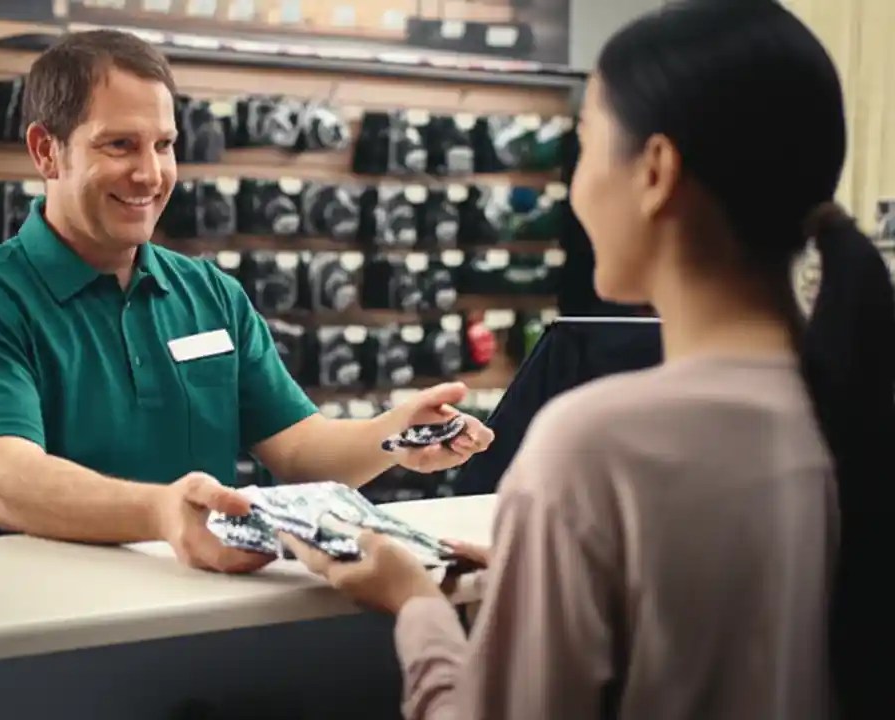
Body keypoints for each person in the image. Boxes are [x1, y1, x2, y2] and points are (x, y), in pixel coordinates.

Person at [283, 1, 893, 718]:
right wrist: (548, 571)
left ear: (655, 171)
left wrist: (416, 604)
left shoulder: (601, 446)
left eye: (586, 145)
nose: (574, 189)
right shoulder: (852, 408)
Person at [0, 29, 495, 574]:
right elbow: (8, 484)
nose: (150, 174)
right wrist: (160, 513)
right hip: (43, 626)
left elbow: (299, 448)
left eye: (164, 145)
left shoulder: (209, 293)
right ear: (47, 151)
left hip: (199, 601)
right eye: (119, 145)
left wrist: (395, 435)